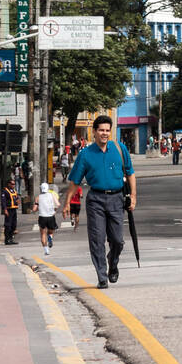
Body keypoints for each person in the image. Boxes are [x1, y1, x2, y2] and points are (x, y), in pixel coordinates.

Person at [63, 115, 136, 289]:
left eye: (107, 130)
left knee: (118, 240)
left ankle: (113, 261)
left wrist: (133, 196)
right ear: (94, 132)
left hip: (117, 198)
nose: (104, 133)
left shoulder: (119, 149)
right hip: (96, 199)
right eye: (101, 130)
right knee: (97, 240)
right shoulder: (86, 154)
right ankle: (102, 276)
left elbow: (130, 173)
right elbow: (75, 182)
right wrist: (67, 202)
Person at [34, 183, 59, 256]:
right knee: (50, 231)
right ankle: (50, 238)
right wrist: (54, 210)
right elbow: (58, 204)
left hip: (42, 217)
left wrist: (38, 207)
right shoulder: (52, 195)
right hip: (51, 216)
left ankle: (46, 250)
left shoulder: (38, 197)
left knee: (43, 234)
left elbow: (34, 209)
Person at [0, 178, 19, 245]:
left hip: (14, 210)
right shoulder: (5, 191)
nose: (13, 185)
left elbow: (16, 198)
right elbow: (3, 201)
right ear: (9, 184)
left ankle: (11, 239)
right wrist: (5, 210)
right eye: (12, 184)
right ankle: (7, 240)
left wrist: (17, 201)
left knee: (14, 225)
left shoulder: (14, 191)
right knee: (8, 225)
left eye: (14, 184)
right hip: (9, 210)